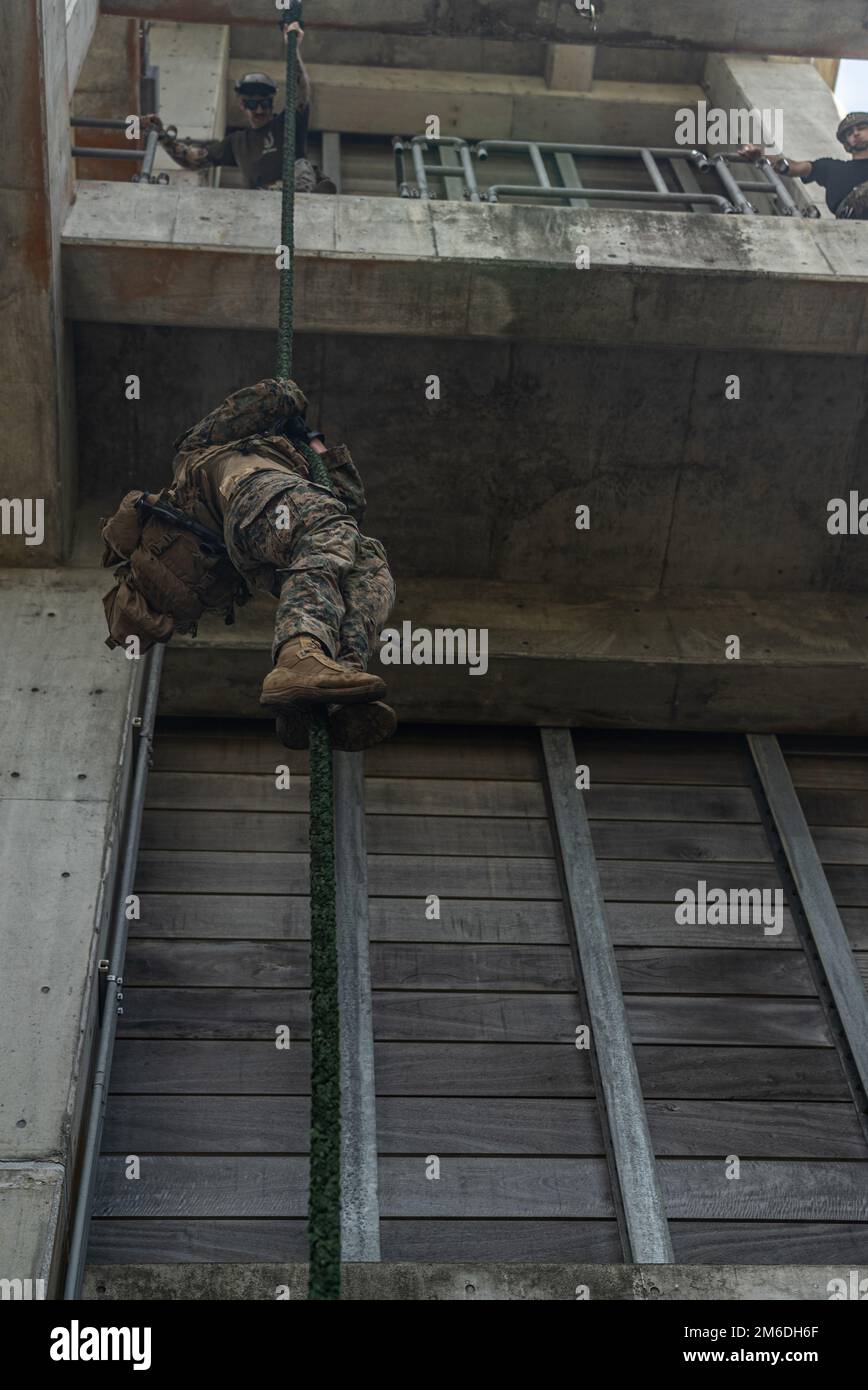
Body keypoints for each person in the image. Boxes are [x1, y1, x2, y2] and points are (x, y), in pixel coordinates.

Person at [99, 378, 397, 751]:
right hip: (248, 498)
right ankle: (299, 654)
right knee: (324, 524)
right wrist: (293, 409)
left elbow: (350, 506)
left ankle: (336, 678)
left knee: (368, 565)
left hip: (265, 537)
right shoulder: (203, 444)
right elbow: (275, 395)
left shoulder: (296, 465)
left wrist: (321, 451)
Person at [144, 21, 336, 194]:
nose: (259, 110)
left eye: (265, 103)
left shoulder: (287, 124)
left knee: (302, 165)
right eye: (252, 104)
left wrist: (292, 50)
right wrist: (162, 135)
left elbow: (301, 90)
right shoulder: (237, 144)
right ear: (242, 105)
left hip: (297, 195)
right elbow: (193, 159)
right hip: (263, 202)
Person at [739, 112, 868, 219]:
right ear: (846, 146)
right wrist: (761, 155)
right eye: (850, 133)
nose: (856, 134)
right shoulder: (831, 168)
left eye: (861, 128)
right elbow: (794, 167)